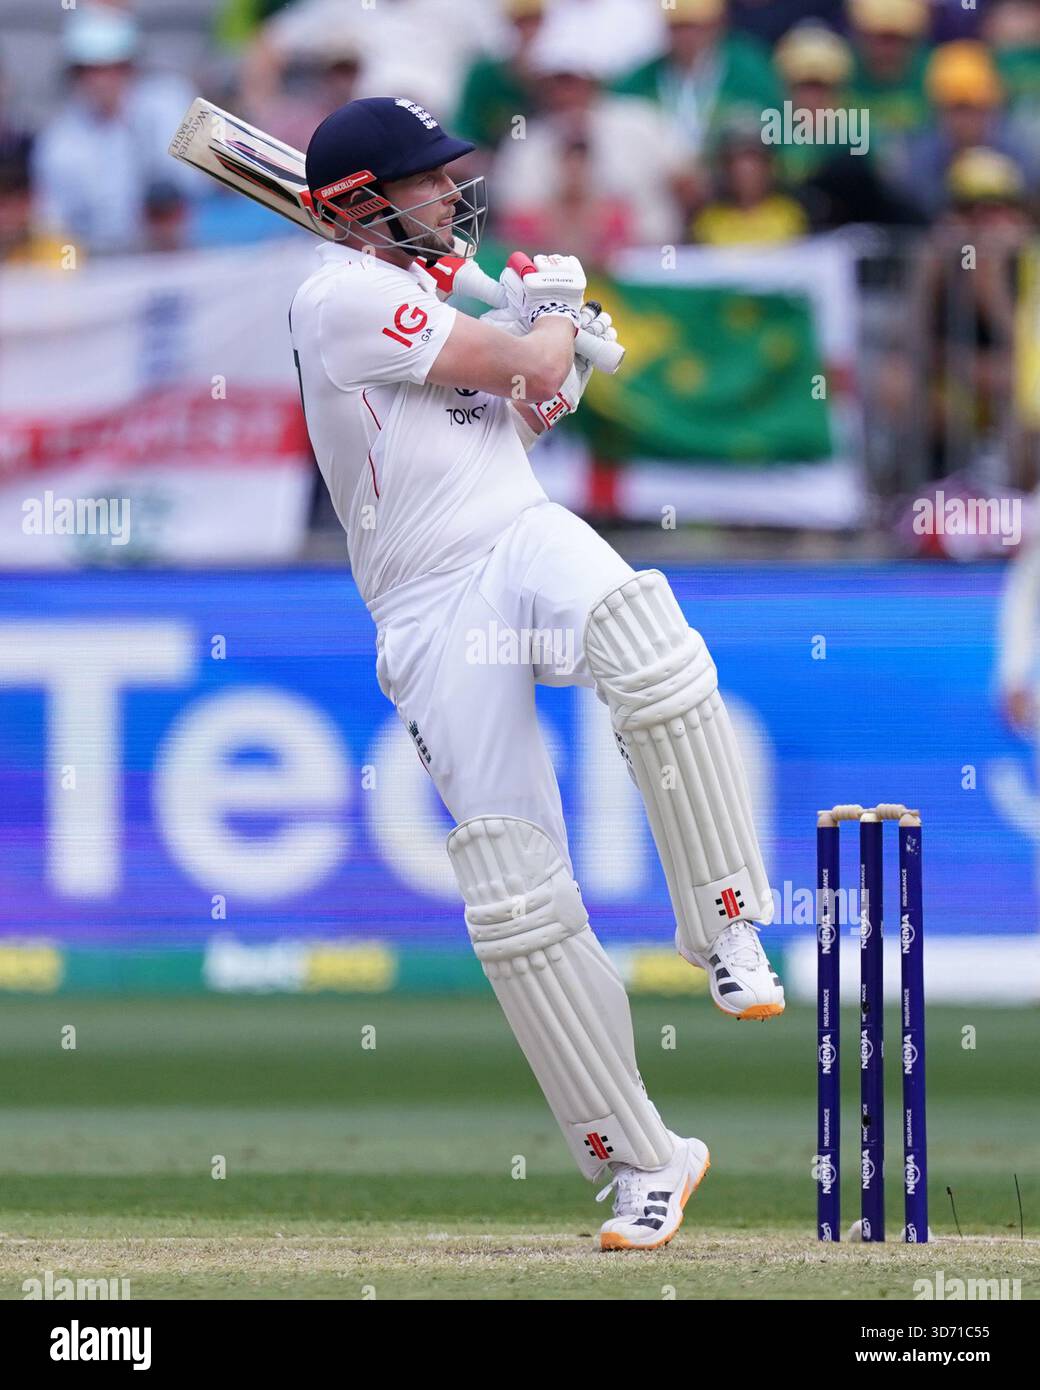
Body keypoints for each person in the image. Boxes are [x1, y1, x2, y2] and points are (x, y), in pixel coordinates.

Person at [288, 95, 784, 1250]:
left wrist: (553, 358)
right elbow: (515, 358)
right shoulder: (341, 295)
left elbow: (523, 400)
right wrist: (549, 318)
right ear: (362, 204)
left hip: (517, 531)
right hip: (424, 604)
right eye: (424, 180)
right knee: (515, 896)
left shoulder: (424, 285)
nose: (450, 194)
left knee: (648, 645)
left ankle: (723, 926)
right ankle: (641, 1160)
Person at [30, 4, 198, 255]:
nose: (102, 80)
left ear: (130, 65)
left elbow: (206, 187)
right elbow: (53, 226)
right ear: (75, 74)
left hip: (192, 250)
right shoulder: (59, 143)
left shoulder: (170, 101)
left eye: (113, 66)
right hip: (109, 267)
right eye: (89, 69)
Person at [611, 0, 782, 157]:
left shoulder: (750, 70)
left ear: (716, 26)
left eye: (694, 27)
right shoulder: (645, 77)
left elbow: (779, 123)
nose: (686, 38)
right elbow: (614, 107)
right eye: (678, 28)